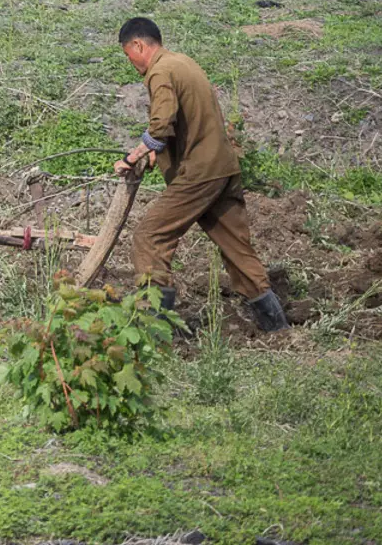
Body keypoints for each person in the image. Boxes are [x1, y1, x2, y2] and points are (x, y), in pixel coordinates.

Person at [114, 17, 288, 332]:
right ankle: (277, 328)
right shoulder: (183, 63)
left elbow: (161, 123)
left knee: (149, 237)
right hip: (222, 168)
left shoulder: (160, 71)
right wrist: (158, 150)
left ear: (139, 45)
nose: (131, 63)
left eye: (129, 55)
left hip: (198, 174)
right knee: (236, 248)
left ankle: (156, 329)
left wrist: (133, 155)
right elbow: (188, 119)